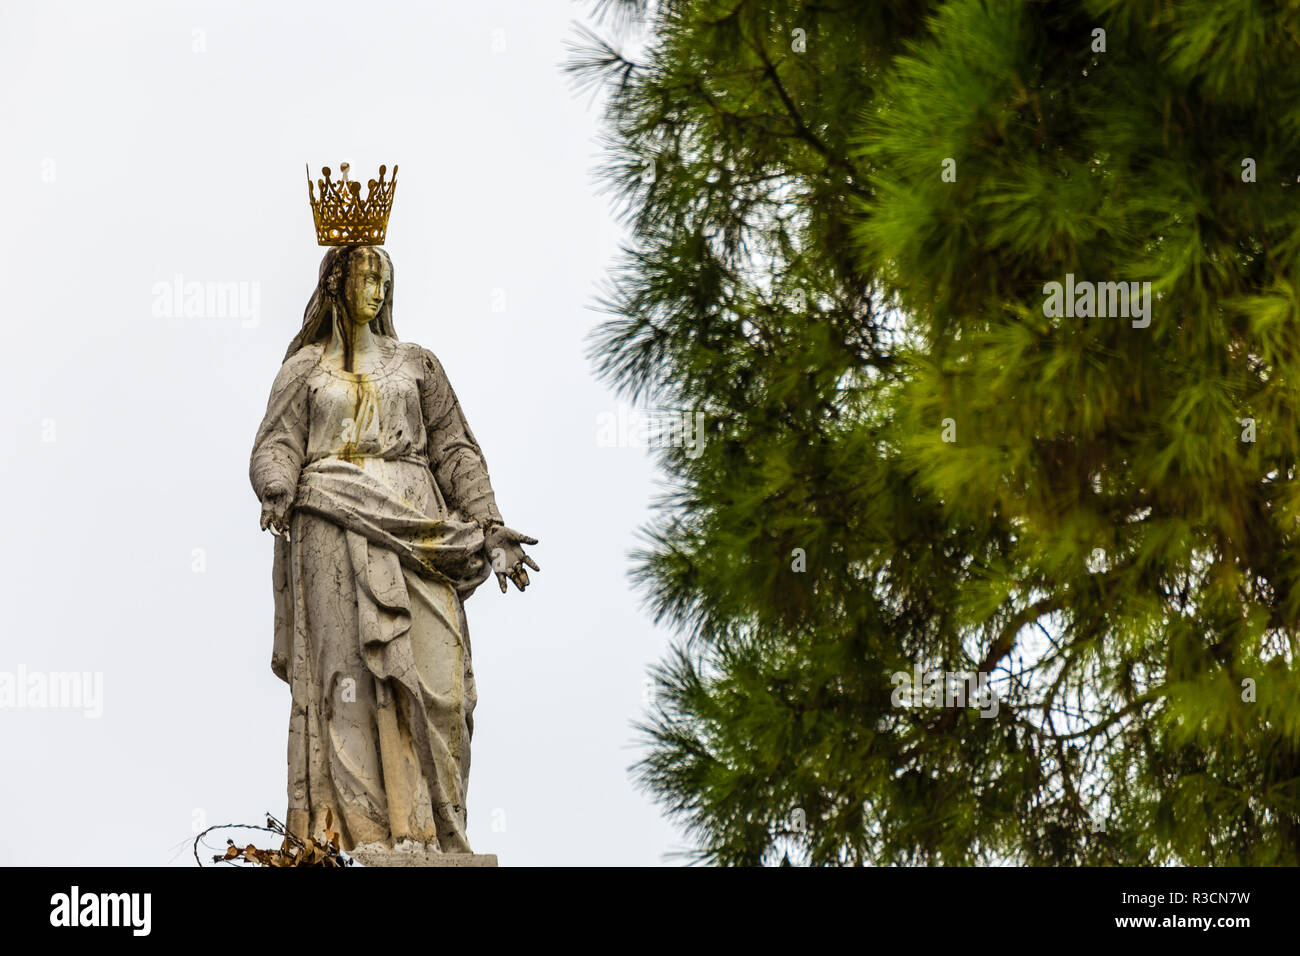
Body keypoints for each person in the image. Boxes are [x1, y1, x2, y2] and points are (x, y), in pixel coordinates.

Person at [249, 244, 538, 853]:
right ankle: (369, 837)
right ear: (336, 283)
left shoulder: (418, 365)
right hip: (331, 520)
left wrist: (488, 523)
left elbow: (455, 449)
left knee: (443, 688)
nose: (377, 290)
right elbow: (276, 445)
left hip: (421, 525)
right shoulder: (304, 370)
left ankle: (438, 833)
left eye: (385, 279)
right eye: (366, 277)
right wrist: (276, 488)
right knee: (347, 681)